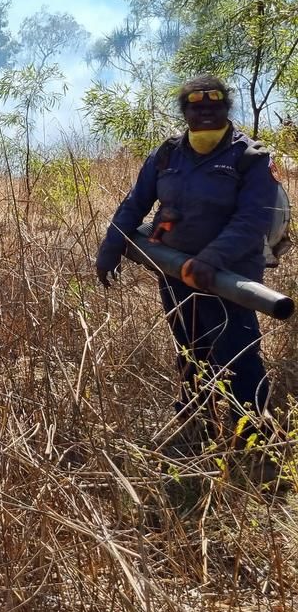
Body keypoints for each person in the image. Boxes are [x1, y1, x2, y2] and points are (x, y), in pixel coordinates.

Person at [95, 75, 279, 452]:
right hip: (177, 274)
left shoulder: (250, 158)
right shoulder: (168, 154)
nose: (207, 112)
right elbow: (135, 203)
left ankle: (256, 443)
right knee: (189, 348)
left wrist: (211, 260)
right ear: (186, 113)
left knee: (238, 354)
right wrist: (110, 247)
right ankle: (198, 425)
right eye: (197, 106)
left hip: (230, 278)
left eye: (215, 105)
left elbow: (253, 219)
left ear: (227, 110)